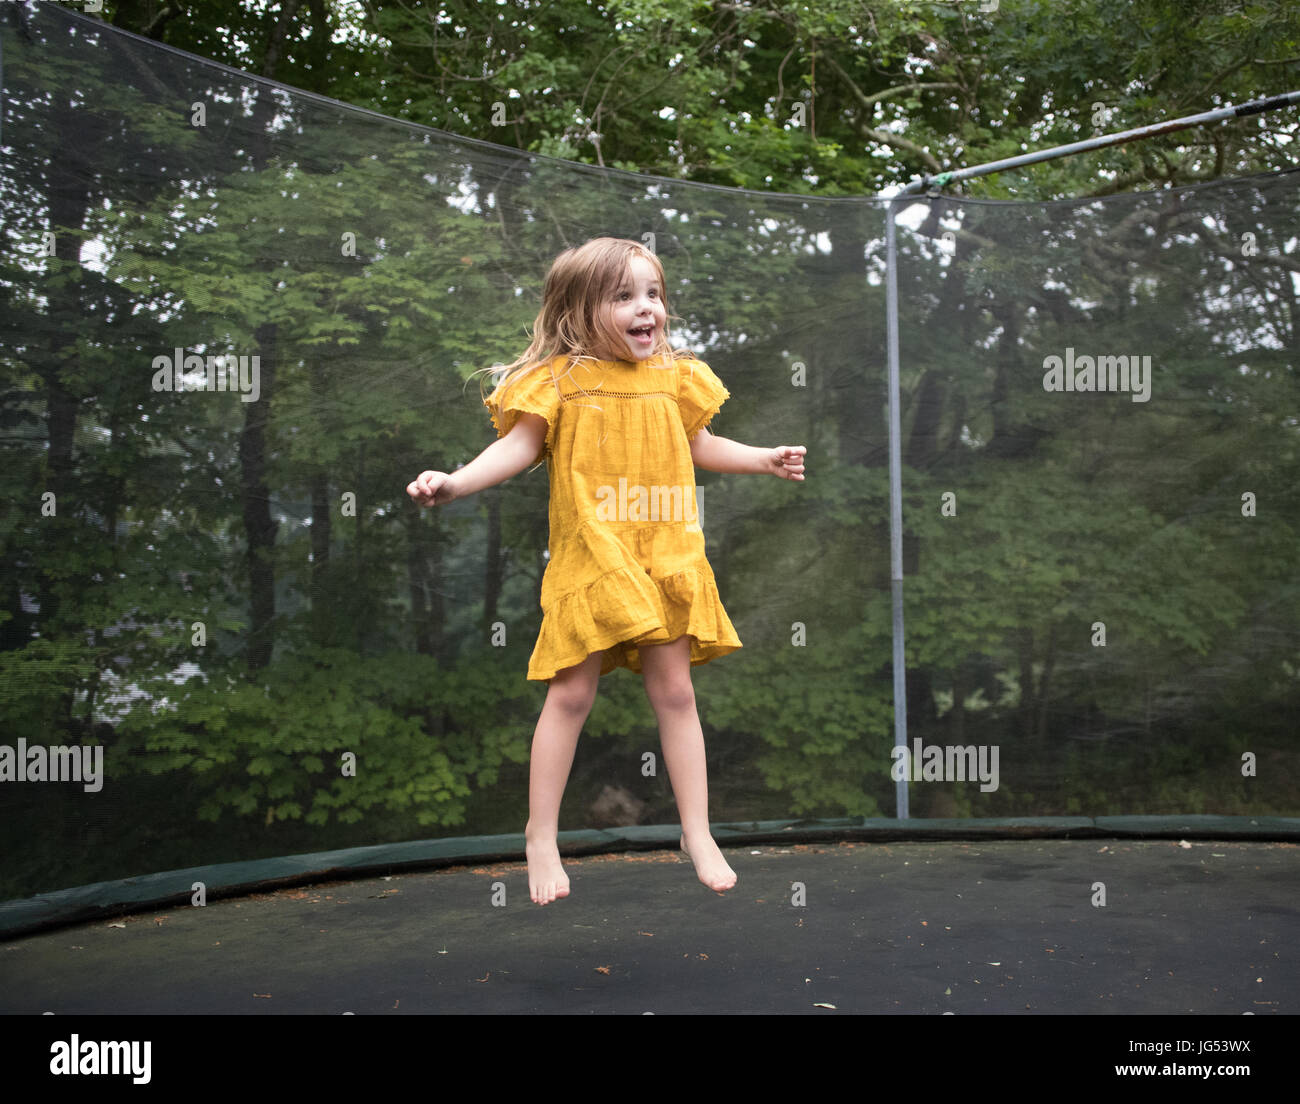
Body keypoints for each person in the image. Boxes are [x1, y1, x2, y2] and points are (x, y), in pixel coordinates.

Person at [407, 237, 806, 905]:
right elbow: (513, 448)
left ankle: (697, 832)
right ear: (579, 310)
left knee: (676, 694)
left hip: (666, 551)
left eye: (652, 294)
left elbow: (702, 444)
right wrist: (454, 483)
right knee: (570, 696)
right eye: (624, 296)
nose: (646, 308)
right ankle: (540, 837)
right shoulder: (559, 382)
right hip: (594, 555)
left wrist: (762, 458)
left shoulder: (677, 378)